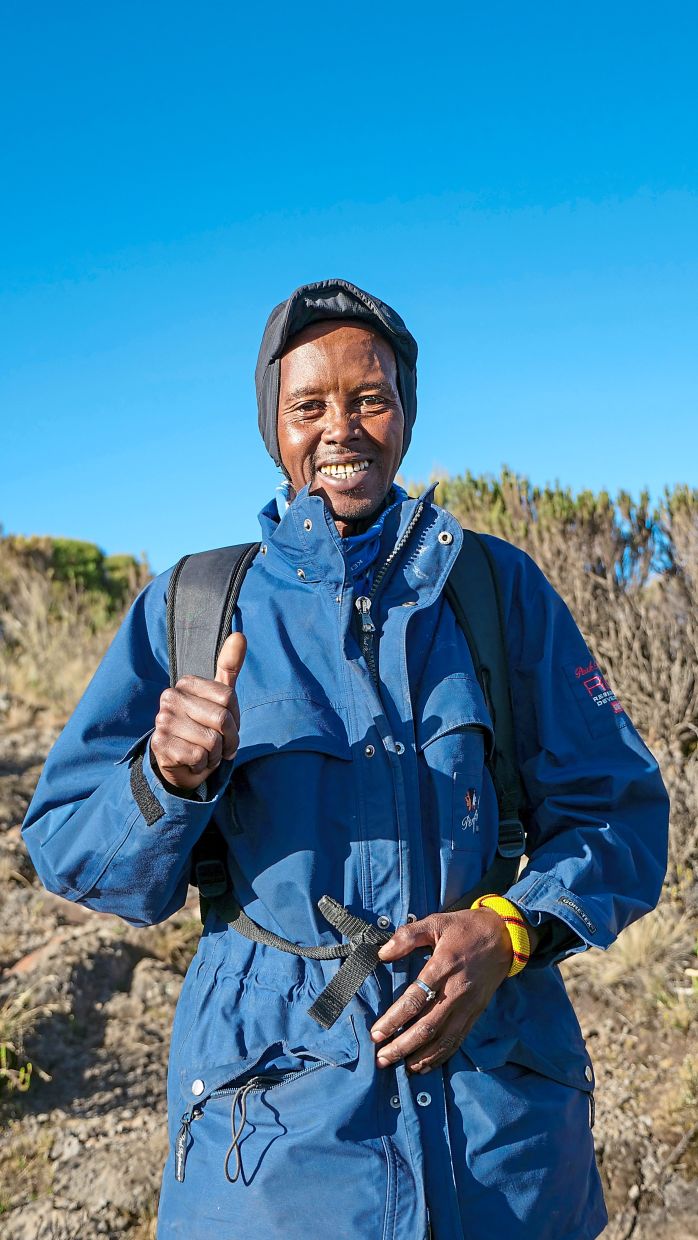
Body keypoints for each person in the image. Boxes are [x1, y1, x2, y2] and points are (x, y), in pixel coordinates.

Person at [22, 278, 669, 1240]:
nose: (341, 429)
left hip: (504, 1137)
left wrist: (513, 930)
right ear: (272, 427)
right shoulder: (192, 608)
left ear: (405, 413)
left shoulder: (496, 590)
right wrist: (167, 778)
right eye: (308, 406)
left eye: (370, 398)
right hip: (272, 1148)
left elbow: (620, 813)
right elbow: (69, 849)